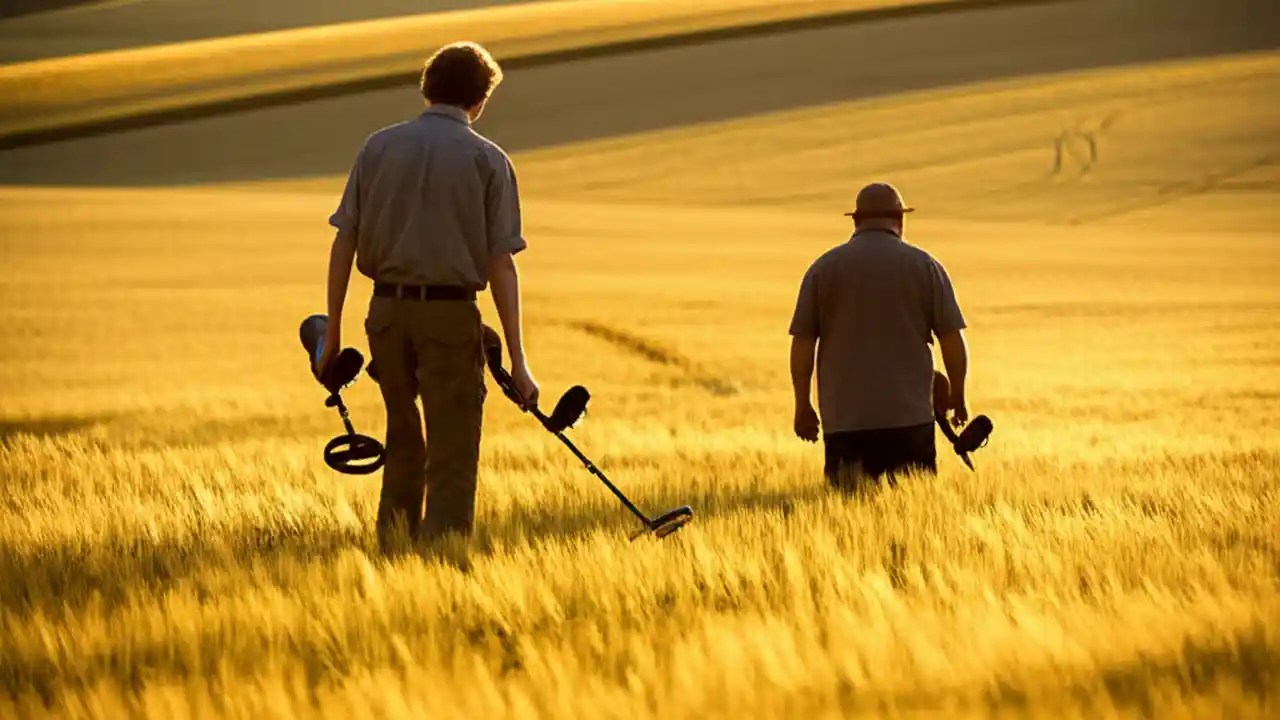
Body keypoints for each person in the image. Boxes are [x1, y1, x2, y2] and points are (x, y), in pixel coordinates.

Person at [317, 41, 539, 550]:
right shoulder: (488, 158)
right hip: (448, 314)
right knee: (453, 447)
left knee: (403, 436)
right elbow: (500, 263)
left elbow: (343, 241)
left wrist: (332, 335)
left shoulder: (378, 147)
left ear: (427, 88)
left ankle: (393, 551)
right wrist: (520, 363)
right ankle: (442, 562)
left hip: (387, 315)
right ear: (480, 100)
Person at [789, 182, 969, 487]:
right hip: (910, 419)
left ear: (856, 220)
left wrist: (802, 405)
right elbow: (951, 340)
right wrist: (958, 396)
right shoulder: (925, 266)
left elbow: (803, 345)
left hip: (845, 422)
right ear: (900, 219)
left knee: (847, 522)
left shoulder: (822, 270)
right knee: (915, 519)